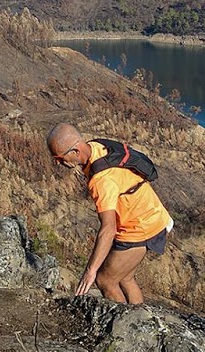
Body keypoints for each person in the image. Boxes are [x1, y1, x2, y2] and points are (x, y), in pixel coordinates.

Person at [46, 123, 172, 304]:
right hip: (151, 215)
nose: (58, 162)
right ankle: (140, 323)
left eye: (58, 157)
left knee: (105, 280)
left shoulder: (101, 180)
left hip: (139, 228)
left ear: (75, 151)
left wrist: (91, 270)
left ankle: (128, 327)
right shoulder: (96, 147)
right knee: (125, 278)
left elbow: (108, 228)